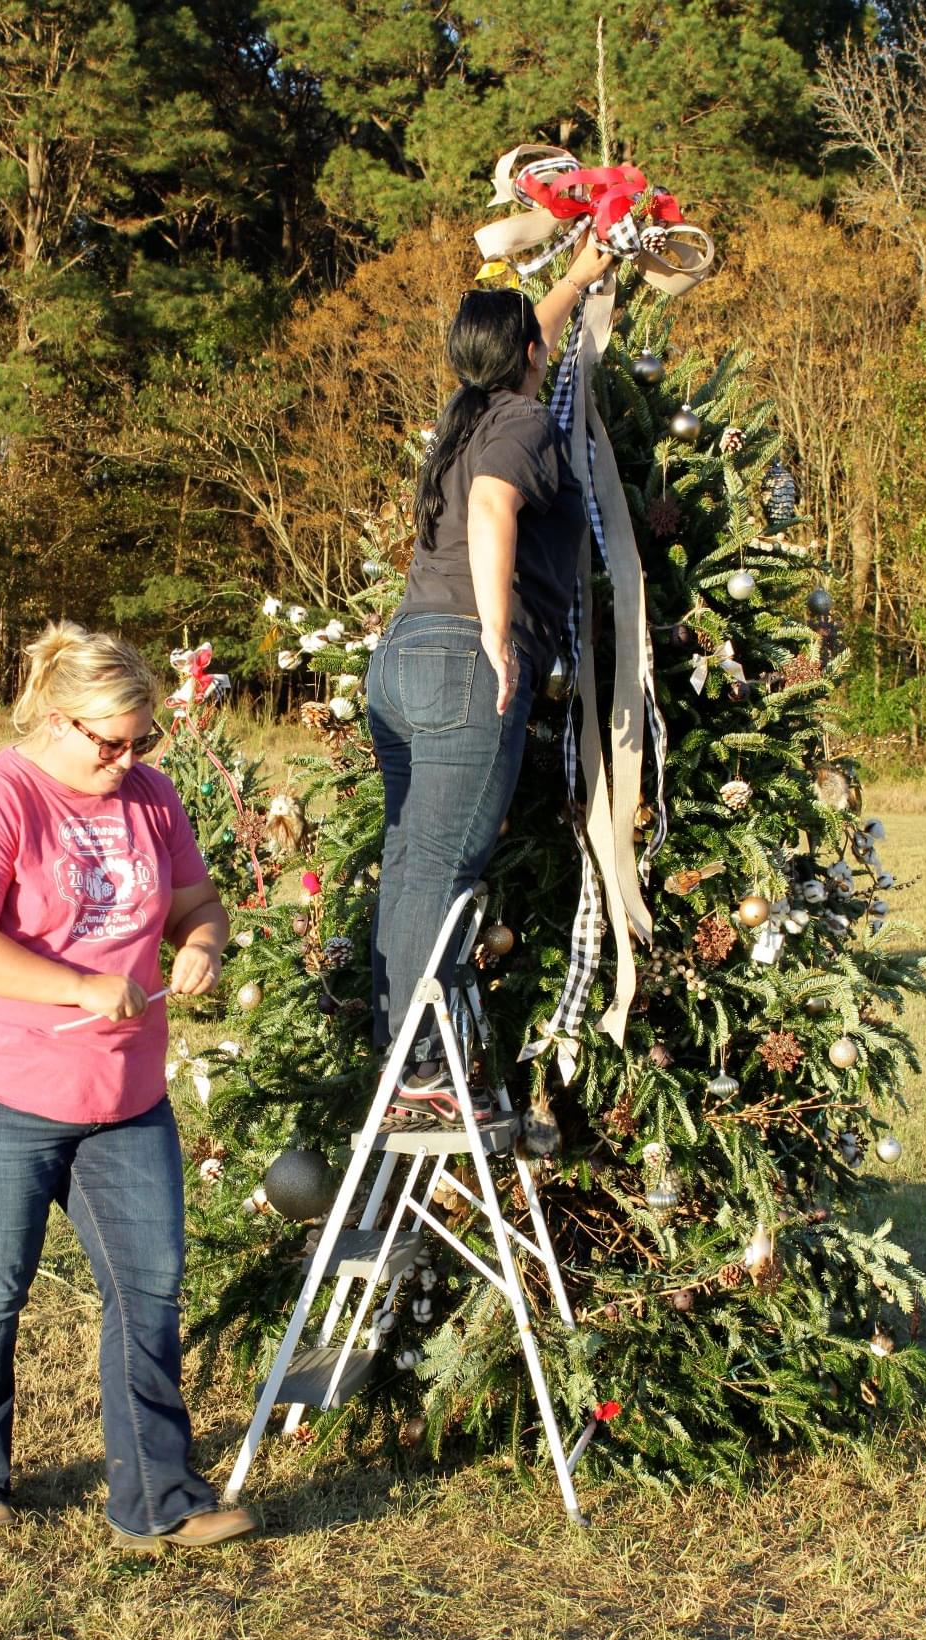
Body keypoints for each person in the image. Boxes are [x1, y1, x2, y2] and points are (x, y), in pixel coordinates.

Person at [0, 621, 255, 1552]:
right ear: (56, 719)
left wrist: (203, 946)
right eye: (112, 742)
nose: (129, 757)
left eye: (143, 739)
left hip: (125, 1094)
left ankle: (156, 1499)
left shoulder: (150, 797)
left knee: (148, 1287)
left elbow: (198, 903)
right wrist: (77, 983)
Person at [367, 242, 610, 1123]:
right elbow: (493, 505)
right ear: (529, 362)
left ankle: (403, 1049)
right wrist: (501, 635)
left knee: (408, 860)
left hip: (401, 661)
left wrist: (578, 279)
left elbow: (522, 344)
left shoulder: (468, 414)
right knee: (442, 863)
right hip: (464, 660)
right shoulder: (521, 425)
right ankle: (424, 1066)